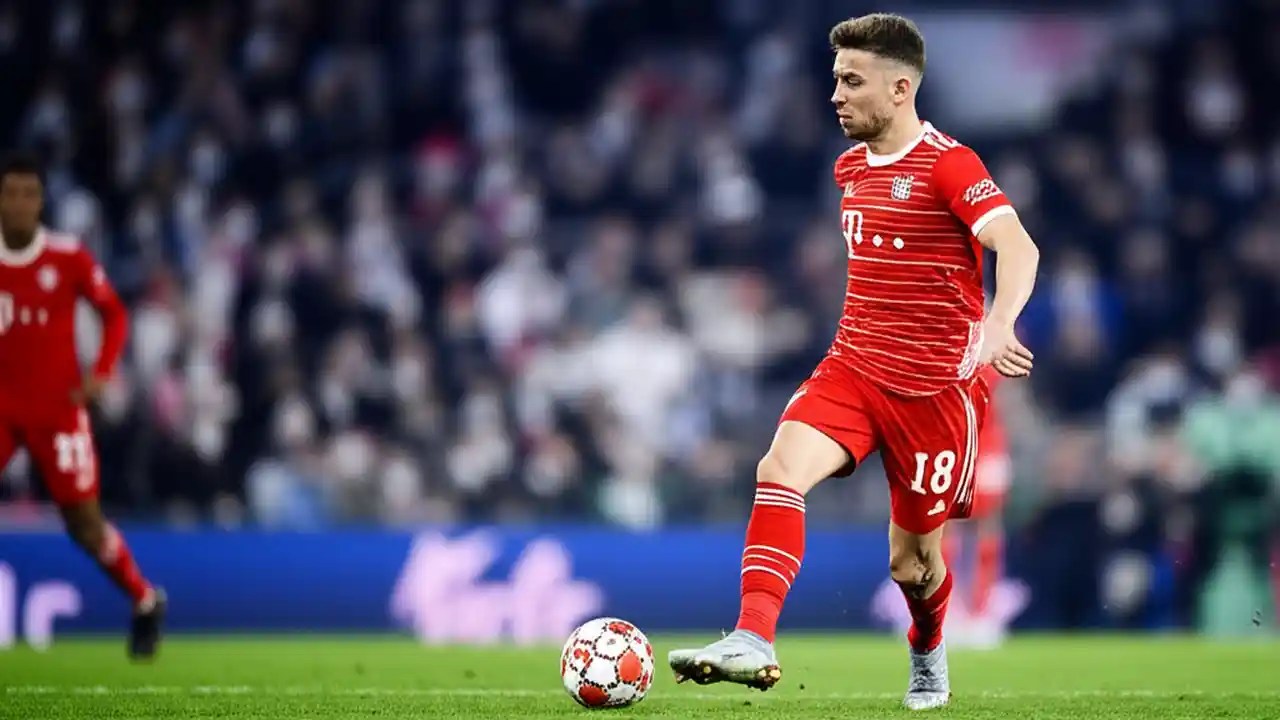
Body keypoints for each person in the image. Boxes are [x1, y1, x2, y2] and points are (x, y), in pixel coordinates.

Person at [668, 13, 1039, 710]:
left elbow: (1018, 248)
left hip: (934, 392)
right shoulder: (846, 167)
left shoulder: (950, 164)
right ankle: (753, 637)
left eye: (851, 80)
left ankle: (928, 647)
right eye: (834, 79)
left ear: (901, 89)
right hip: (853, 367)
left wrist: (998, 322)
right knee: (778, 469)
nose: (835, 94)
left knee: (913, 563)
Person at [0, 152, 165, 659]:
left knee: (85, 526)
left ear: (42, 200)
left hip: (58, 410)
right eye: (12, 193)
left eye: (30, 193)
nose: (21, 203)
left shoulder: (68, 258)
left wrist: (103, 372)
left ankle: (144, 600)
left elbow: (114, 314)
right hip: (3, 408)